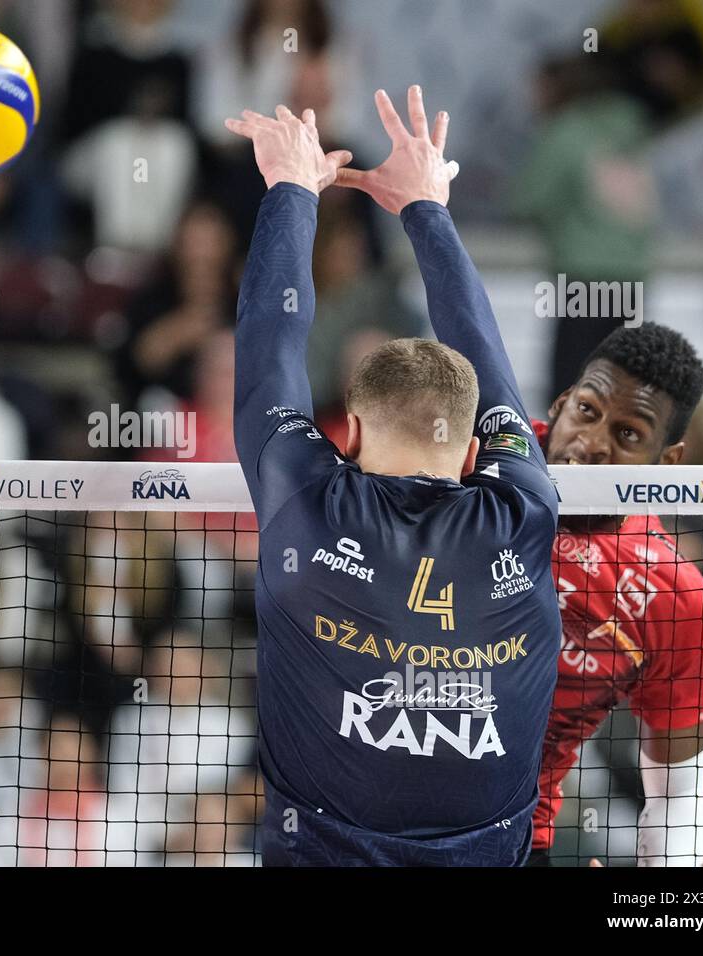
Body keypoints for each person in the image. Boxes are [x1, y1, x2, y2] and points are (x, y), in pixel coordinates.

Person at [225, 87, 561, 866]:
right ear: (475, 450)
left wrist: (291, 191)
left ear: (350, 433)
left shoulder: (306, 501)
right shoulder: (526, 509)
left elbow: (269, 343)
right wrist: (426, 208)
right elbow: (489, 363)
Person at [529, 322, 703, 866]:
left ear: (667, 463)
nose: (591, 445)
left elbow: (677, 797)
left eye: (628, 435)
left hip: (514, 840)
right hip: (356, 819)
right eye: (586, 411)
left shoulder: (672, 596)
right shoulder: (469, 468)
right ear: (562, 403)